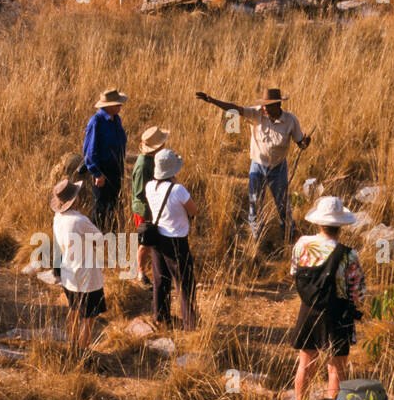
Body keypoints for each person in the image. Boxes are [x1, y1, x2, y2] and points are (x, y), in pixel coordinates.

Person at [195, 84, 309, 240]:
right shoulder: (256, 113)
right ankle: (256, 238)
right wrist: (212, 100)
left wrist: (305, 143)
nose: (264, 108)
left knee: (283, 206)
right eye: (263, 105)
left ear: (278, 105)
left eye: (267, 106)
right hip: (257, 166)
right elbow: (234, 109)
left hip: (278, 169)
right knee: (254, 204)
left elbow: (300, 142)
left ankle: (288, 236)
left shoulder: (290, 120)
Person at [290, 195, 366, 400]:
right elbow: (358, 293)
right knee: (336, 370)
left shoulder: (302, 244)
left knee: (305, 363)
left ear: (319, 221)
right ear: (340, 225)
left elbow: (294, 272)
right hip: (337, 314)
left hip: (308, 309)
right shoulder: (349, 255)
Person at [51, 177, 106, 352]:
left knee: (73, 310)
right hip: (87, 277)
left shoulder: (57, 217)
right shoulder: (79, 220)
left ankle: (73, 346)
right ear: (75, 199)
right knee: (88, 319)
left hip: (68, 275)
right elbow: (101, 241)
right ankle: (82, 353)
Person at [145, 148, 197, 331]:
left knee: (160, 280)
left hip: (157, 238)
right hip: (176, 240)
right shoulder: (178, 190)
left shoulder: (149, 186)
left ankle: (160, 317)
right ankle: (190, 324)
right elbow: (193, 210)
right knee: (185, 283)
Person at [83, 87, 128, 233]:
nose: (120, 107)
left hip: (116, 169)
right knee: (101, 209)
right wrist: (97, 174)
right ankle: (97, 241)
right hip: (103, 172)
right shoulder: (96, 122)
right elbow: (89, 151)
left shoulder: (116, 119)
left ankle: (110, 237)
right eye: (117, 104)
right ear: (108, 106)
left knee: (113, 206)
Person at [131, 126, 170, 287]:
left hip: (152, 208)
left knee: (153, 241)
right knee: (145, 242)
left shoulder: (151, 160)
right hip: (145, 209)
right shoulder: (142, 165)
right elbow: (140, 193)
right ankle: (140, 273)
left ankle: (152, 270)